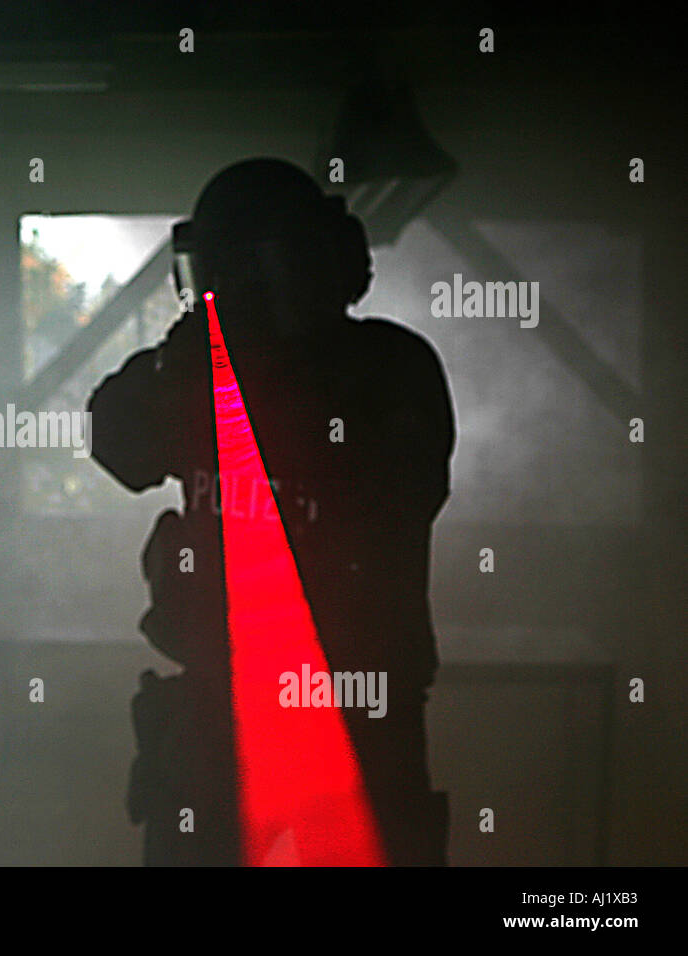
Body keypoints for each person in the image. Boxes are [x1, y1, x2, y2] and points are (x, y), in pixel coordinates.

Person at [88, 159, 454, 865]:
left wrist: (256, 373)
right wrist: (178, 369)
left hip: (351, 713)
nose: (226, 292)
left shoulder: (385, 367)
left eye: (250, 271)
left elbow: (397, 492)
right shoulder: (197, 369)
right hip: (214, 713)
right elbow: (115, 442)